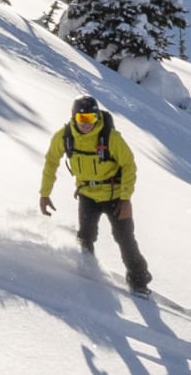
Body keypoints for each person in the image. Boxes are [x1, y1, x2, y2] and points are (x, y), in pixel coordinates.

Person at [37, 93, 151, 295]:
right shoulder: (64, 137)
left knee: (124, 238)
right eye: (82, 118)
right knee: (85, 236)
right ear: (74, 117)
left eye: (91, 117)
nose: (87, 123)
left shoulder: (111, 138)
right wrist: (45, 194)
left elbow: (129, 166)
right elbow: (51, 162)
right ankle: (87, 270)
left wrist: (125, 199)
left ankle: (139, 282)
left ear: (97, 116)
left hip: (114, 195)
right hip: (87, 195)